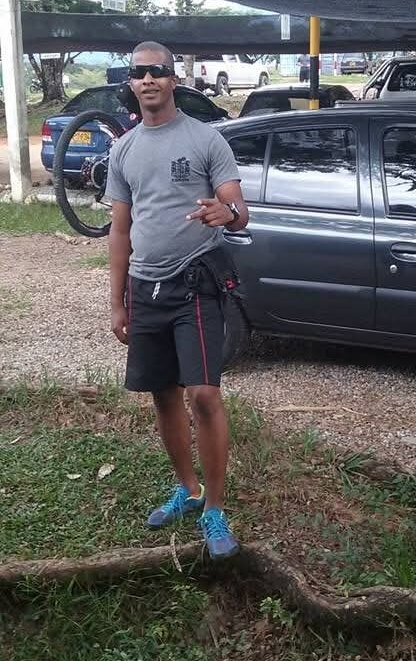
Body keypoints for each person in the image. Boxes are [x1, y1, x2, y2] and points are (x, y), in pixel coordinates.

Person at [106, 40, 249, 561]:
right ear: (131, 82)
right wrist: (117, 301)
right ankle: (187, 489)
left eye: (158, 71)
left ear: (174, 79)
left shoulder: (206, 139)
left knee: (204, 395)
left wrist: (227, 215)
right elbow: (120, 230)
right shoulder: (123, 149)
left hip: (195, 282)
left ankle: (214, 507)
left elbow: (239, 210)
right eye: (139, 72)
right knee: (163, 394)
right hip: (145, 288)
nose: (148, 80)